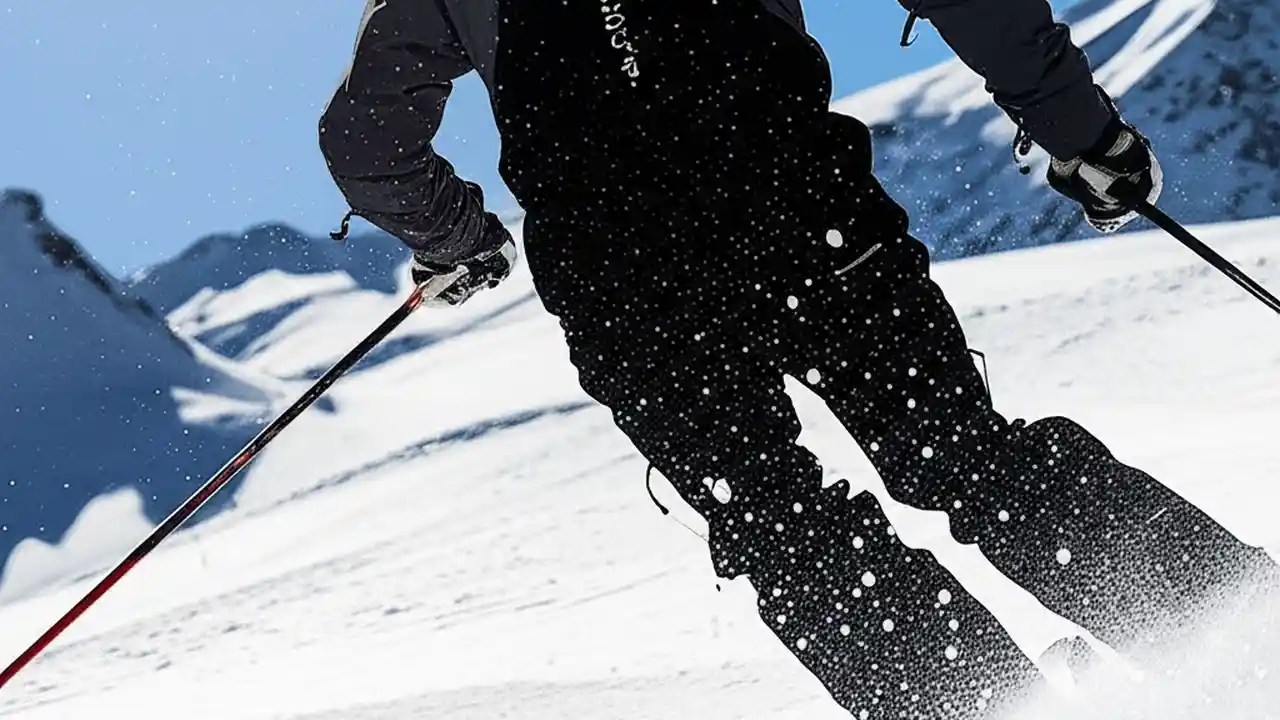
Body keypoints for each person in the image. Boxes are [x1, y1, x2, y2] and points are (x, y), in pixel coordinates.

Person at [319, 1, 1275, 717]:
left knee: (788, 534)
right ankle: (1237, 634)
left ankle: (971, 707)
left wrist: (454, 235)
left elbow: (367, 137)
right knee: (960, 453)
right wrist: (1083, 136)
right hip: (791, 200)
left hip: (625, 276)